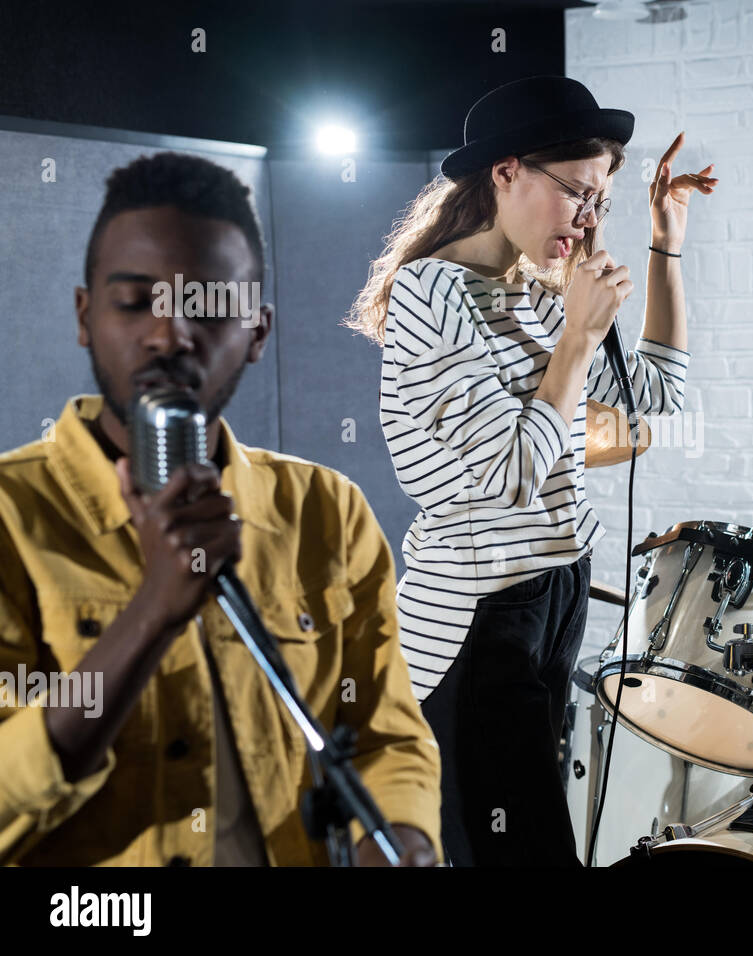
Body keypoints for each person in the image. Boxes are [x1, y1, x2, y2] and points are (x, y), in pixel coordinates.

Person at [0, 152, 441, 866]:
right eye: (136, 301)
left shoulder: (327, 512)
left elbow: (387, 736)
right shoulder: (11, 516)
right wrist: (152, 612)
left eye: (206, 304)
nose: (169, 334)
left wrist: (401, 837)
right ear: (86, 317)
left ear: (258, 333)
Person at [346, 75, 716, 866]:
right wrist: (578, 339)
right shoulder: (429, 294)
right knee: (516, 848)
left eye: (600, 201)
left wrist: (666, 243)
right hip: (483, 615)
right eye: (576, 192)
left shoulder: (528, 294)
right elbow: (510, 472)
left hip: (557, 593)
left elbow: (657, 395)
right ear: (505, 172)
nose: (587, 219)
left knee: (526, 838)